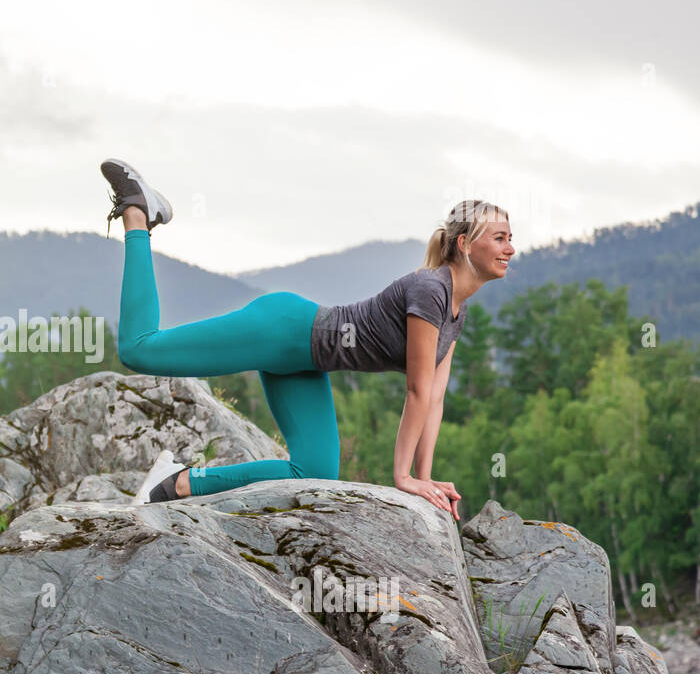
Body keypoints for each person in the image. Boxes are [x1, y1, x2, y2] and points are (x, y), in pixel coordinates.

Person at [101, 158, 514, 521]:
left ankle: (178, 484)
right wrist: (403, 478)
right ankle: (138, 213)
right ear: (464, 244)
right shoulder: (430, 290)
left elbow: (435, 400)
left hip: (307, 362)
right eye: (499, 238)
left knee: (314, 473)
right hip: (282, 329)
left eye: (509, 238)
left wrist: (425, 481)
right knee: (139, 349)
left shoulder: (454, 312)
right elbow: (417, 391)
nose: (510, 248)